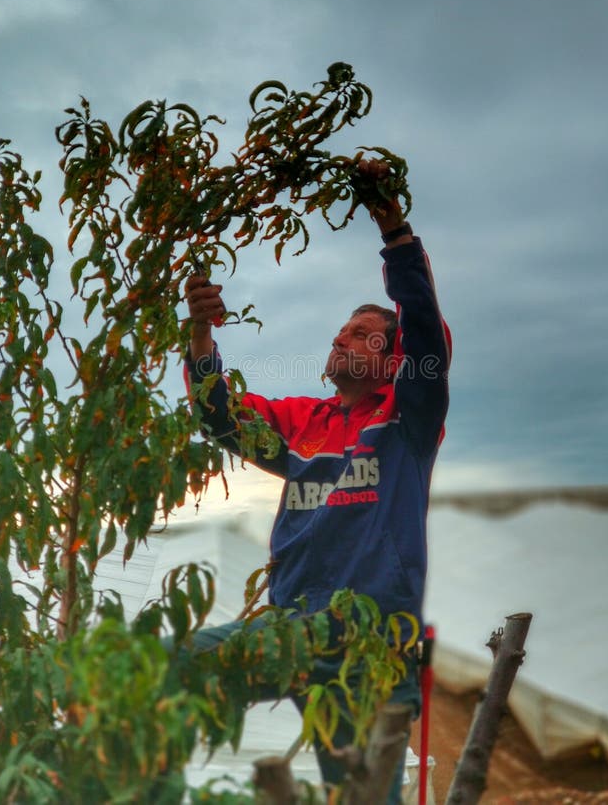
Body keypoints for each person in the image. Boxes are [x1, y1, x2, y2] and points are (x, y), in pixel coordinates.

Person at [182, 159, 451, 803]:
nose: (340, 339)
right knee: (176, 663)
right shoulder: (305, 424)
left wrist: (393, 228)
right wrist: (199, 330)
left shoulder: (407, 419)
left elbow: (425, 331)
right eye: (339, 331)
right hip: (294, 631)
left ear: (391, 357)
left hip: (371, 644)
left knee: (358, 792)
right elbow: (221, 418)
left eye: (360, 334)